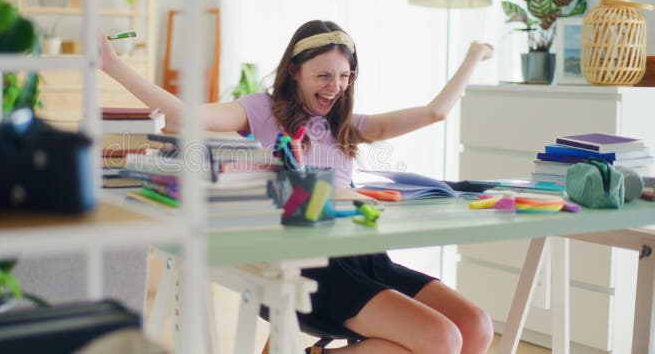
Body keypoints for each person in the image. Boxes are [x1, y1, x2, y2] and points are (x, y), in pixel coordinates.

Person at [100, 20, 495, 353]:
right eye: (323, 75)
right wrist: (113, 65)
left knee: (475, 326)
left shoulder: (350, 126)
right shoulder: (261, 110)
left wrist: (474, 56)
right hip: (309, 264)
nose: (334, 86)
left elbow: (435, 112)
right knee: (441, 338)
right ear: (294, 70)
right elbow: (186, 114)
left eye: (344, 76)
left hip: (364, 256)